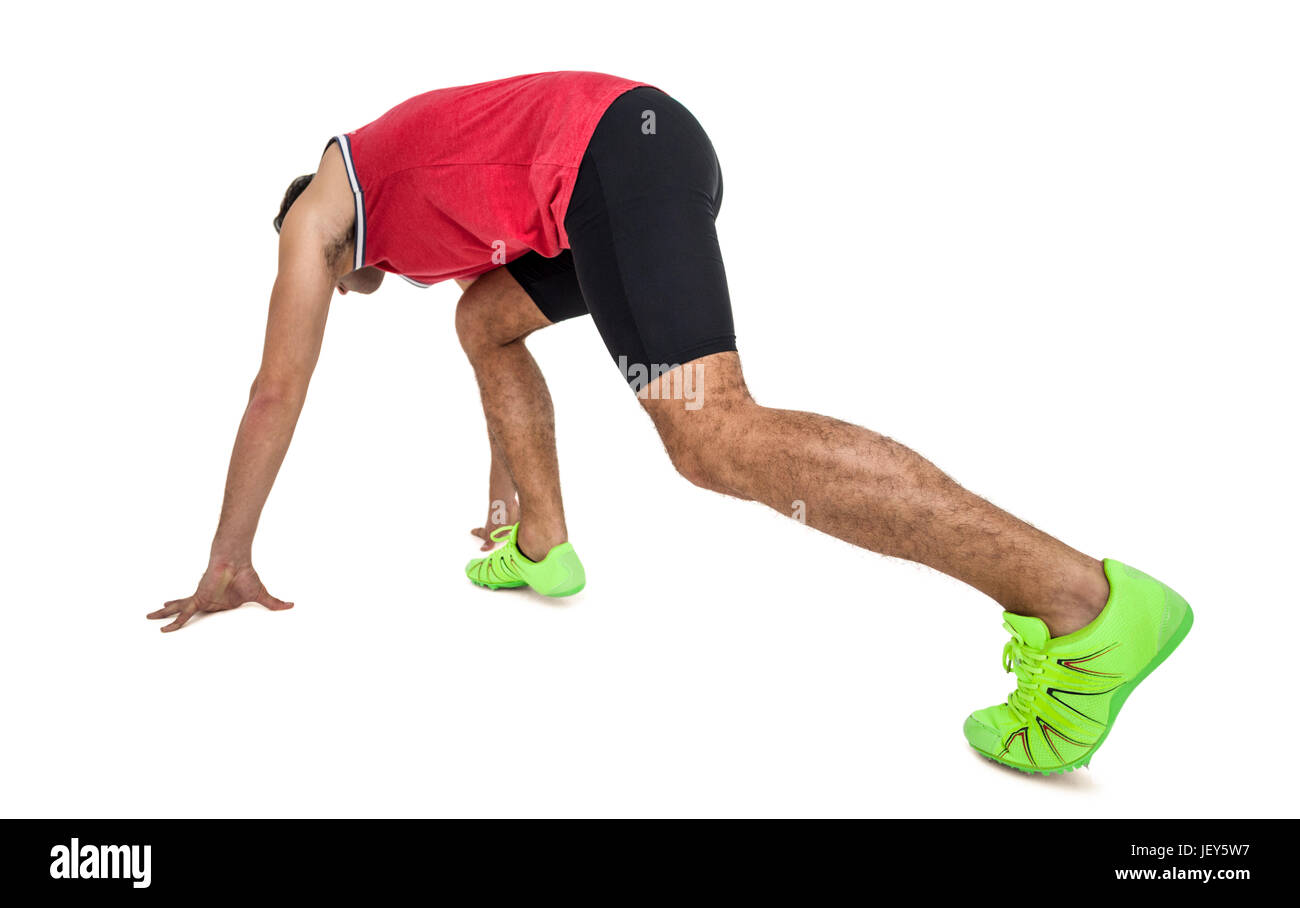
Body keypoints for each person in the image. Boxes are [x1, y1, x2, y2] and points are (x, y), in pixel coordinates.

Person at [147, 71, 1192, 774]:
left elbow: (275, 387)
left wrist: (229, 555)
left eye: (336, 280)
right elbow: (498, 316)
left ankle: (1082, 601)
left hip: (616, 158)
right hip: (636, 153)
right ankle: (540, 542)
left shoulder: (317, 212)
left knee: (713, 435)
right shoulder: (408, 201)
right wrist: (501, 492)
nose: (345, 289)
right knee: (483, 319)